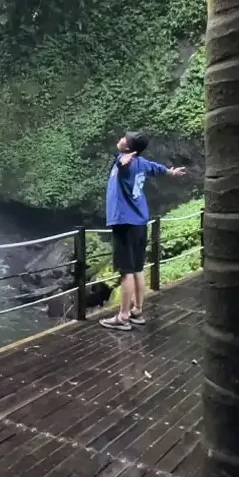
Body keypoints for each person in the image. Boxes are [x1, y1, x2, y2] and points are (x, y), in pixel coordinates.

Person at [99, 131, 186, 331]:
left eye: (124, 139)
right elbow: (157, 169)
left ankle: (122, 316)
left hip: (124, 223)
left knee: (126, 272)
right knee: (137, 269)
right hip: (139, 222)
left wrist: (124, 162)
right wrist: (171, 172)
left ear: (128, 148)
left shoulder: (124, 160)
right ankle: (137, 310)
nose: (120, 139)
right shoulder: (142, 162)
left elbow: (122, 165)